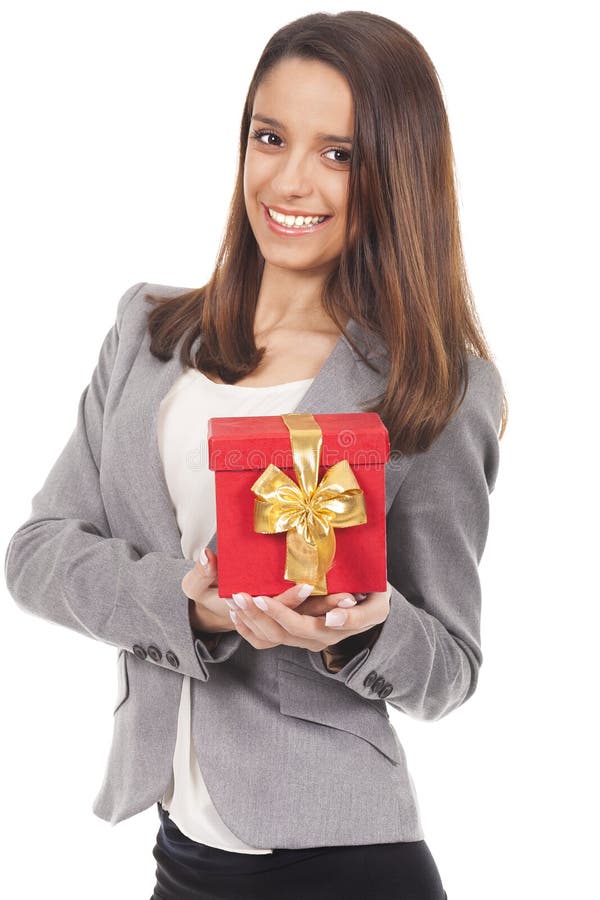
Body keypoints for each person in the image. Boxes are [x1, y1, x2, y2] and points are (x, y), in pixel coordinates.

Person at [4, 10, 507, 900]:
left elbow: (452, 669)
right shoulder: (149, 333)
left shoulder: (433, 386)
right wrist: (186, 608)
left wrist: (365, 624)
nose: (289, 179)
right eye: (270, 137)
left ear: (394, 175)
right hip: (179, 856)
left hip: (345, 861)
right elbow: (39, 554)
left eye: (338, 153)